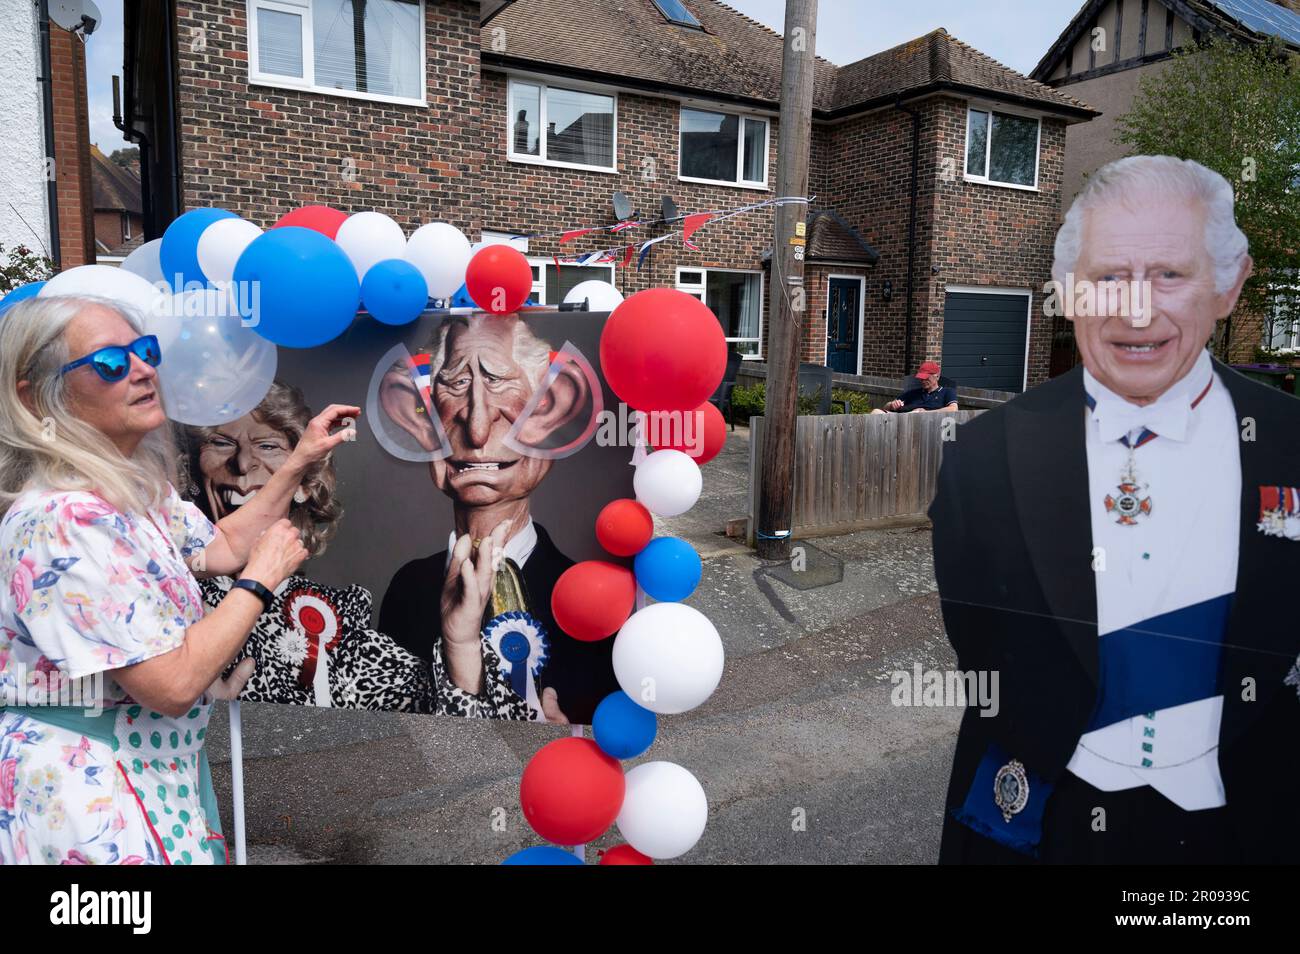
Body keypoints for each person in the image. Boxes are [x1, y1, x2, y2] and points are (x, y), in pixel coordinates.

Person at [930, 155, 1300, 864]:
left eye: (1170, 274)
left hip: (1250, 821)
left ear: (1229, 285)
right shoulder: (981, 455)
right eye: (1108, 278)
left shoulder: (1293, 444)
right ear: (1069, 294)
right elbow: (981, 643)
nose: (1137, 312)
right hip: (1042, 820)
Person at [0, 295, 353, 865]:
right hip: (88, 796)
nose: (143, 370)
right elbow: (172, 685)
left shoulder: (126, 488)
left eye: (144, 351)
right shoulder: (64, 518)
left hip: (146, 774)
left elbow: (222, 546)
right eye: (111, 362)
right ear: (35, 392)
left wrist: (299, 458)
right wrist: (260, 582)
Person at [377, 313, 618, 724]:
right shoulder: (406, 588)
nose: (476, 429)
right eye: (455, 384)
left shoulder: (594, 603)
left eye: (499, 382)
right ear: (420, 416)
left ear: (552, 410)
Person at [184, 381, 458, 712]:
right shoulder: (167, 594)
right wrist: (198, 710)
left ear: (303, 484)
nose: (243, 463)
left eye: (268, 446)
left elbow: (435, 726)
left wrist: (463, 644)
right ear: (193, 476)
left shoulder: (337, 615)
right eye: (222, 442)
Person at [871, 361, 958, 414]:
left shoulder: (947, 391)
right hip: (902, 419)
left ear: (937, 376)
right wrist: (892, 405)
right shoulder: (913, 393)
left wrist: (925, 413)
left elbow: (953, 409)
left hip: (929, 423)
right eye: (921, 378)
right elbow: (886, 407)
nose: (923, 381)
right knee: (876, 412)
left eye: (926, 378)